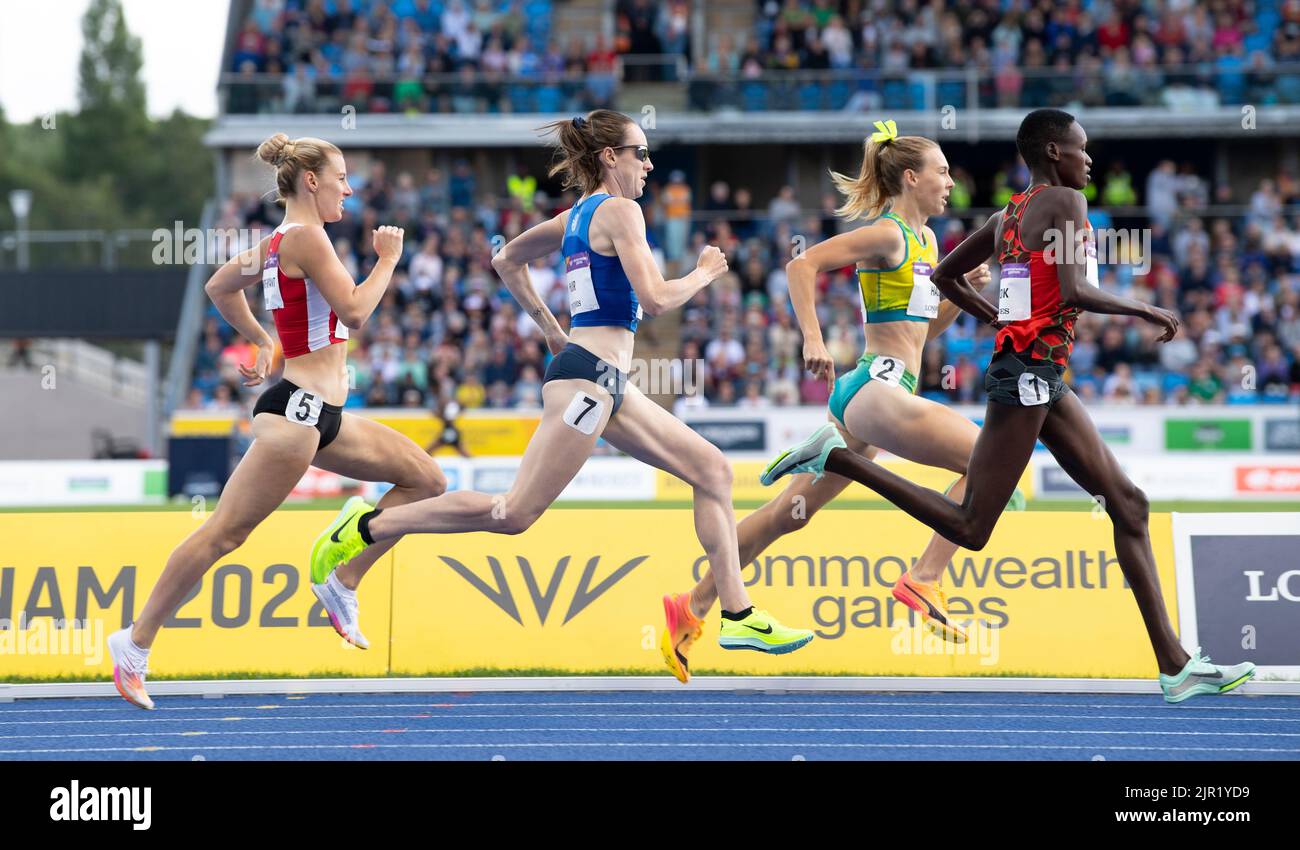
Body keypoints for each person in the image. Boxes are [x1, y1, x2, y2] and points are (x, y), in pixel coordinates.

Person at [763, 109, 1255, 703]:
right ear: (1053, 152)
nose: (1089, 159)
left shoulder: (1008, 215)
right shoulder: (1066, 204)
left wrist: (997, 315)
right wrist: (1143, 309)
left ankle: (1175, 665)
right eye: (1081, 148)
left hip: (1041, 373)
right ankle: (841, 460)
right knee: (972, 527)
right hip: (1028, 378)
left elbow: (945, 275)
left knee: (1129, 503)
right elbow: (1072, 290)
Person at [308, 110, 813, 673]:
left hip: (603, 380)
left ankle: (726, 615)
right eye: (639, 153)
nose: (648, 164)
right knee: (513, 513)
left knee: (713, 471)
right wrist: (704, 272)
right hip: (588, 384)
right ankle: (363, 526)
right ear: (609, 158)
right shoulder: (621, 210)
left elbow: (506, 259)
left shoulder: (578, 214)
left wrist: (552, 330)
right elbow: (658, 298)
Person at [106, 134, 447, 710]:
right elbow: (357, 313)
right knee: (224, 534)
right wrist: (389, 258)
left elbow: (219, 287)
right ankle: (134, 644)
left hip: (325, 415)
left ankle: (341, 578)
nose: (350, 188)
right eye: (342, 177)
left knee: (427, 482)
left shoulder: (274, 244)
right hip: (295, 416)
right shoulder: (307, 238)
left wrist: (263, 340)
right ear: (311, 181)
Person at [663, 119, 1012, 678]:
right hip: (875, 388)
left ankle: (692, 606)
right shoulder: (889, 233)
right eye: (943, 172)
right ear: (911, 177)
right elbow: (801, 264)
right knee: (992, 462)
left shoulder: (927, 243)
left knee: (788, 515)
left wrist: (972, 287)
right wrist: (814, 337)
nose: (952, 182)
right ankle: (922, 578)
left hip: (878, 396)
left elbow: (926, 331)